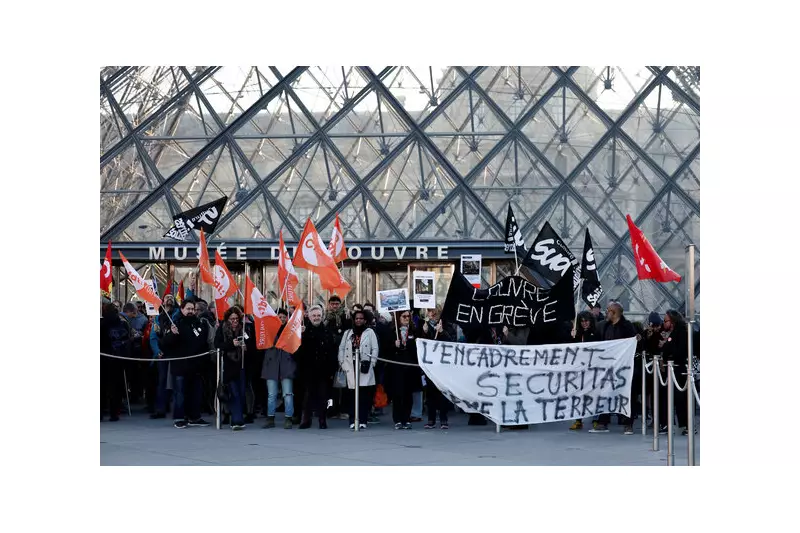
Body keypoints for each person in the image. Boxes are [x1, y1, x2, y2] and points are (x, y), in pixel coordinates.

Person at [161, 299, 214, 429]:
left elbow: (204, 342)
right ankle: (179, 418)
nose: (191, 311)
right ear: (182, 310)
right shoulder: (175, 324)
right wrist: (172, 335)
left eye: (193, 309)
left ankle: (194, 417)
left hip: (196, 367)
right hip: (180, 367)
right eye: (188, 309)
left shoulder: (200, 324)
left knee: (195, 394)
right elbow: (164, 344)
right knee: (180, 394)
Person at [589, 302, 638, 435]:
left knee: (627, 394)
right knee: (605, 393)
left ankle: (628, 423)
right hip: (608, 367)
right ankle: (603, 421)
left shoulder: (627, 327)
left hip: (623, 369)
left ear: (615, 312)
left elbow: (633, 344)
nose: (606, 312)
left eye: (608, 310)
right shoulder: (605, 326)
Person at [297, 305, 337, 429]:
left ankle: (322, 419)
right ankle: (306, 420)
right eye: (314, 315)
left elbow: (332, 352)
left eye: (318, 316)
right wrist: (301, 335)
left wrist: (332, 369)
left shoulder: (327, 331)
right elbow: (297, 352)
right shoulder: (303, 331)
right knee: (308, 396)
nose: (316, 318)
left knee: (323, 396)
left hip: (323, 371)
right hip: (308, 370)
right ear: (309, 316)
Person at [337, 309, 378, 430]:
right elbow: (342, 348)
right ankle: (352, 419)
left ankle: (363, 420)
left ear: (365, 320)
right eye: (356, 318)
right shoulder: (348, 333)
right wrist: (342, 363)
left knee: (364, 396)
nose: (358, 320)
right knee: (352, 396)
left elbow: (375, 348)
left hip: (364, 366)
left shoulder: (370, 332)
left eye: (361, 318)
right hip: (351, 366)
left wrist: (373, 363)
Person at [215, 307, 251, 430]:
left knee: (241, 393)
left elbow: (251, 343)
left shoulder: (244, 328)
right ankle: (237, 421)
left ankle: (236, 417)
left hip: (241, 366)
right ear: (228, 319)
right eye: (232, 319)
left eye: (236, 318)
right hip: (228, 366)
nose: (234, 321)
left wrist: (246, 347)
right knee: (233, 393)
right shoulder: (222, 329)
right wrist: (232, 344)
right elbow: (217, 344)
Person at [419, 306, 453, 429]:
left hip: (442, 365)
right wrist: (425, 332)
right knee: (430, 394)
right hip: (430, 365)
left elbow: (451, 341)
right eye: (429, 312)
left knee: (442, 393)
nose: (431, 315)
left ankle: (443, 419)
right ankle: (431, 419)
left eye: (434, 312)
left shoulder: (445, 324)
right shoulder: (425, 325)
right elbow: (421, 343)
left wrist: (442, 331)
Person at [262, 308, 297, 429]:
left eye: (284, 317)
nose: (282, 319)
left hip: (286, 365)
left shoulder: (291, 331)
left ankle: (288, 418)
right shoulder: (269, 331)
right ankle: (270, 417)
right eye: (279, 317)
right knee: (271, 394)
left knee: (288, 393)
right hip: (272, 365)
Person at [385, 311, 420, 430]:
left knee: (408, 394)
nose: (406, 319)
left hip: (409, 367)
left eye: (408, 316)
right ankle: (398, 419)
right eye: (404, 316)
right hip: (396, 368)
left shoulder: (414, 331)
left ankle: (406, 418)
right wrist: (393, 345)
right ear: (398, 318)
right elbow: (385, 349)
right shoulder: (392, 331)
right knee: (397, 394)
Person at [660, 310, 692, 435]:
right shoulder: (673, 333)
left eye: (666, 320)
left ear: (672, 321)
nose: (664, 323)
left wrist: (667, 345)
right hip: (671, 368)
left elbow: (679, 350)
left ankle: (685, 424)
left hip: (678, 368)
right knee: (668, 397)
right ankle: (669, 423)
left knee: (681, 398)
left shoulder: (681, 332)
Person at [148, 295, 178, 419]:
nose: (169, 299)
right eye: (167, 298)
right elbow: (153, 337)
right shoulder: (158, 319)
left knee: (177, 382)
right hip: (163, 355)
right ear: (163, 302)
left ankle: (178, 411)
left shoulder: (177, 315)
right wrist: (157, 351)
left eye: (171, 297)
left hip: (176, 354)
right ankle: (161, 409)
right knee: (162, 381)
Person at [101, 303, 132, 422]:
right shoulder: (122, 323)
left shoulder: (101, 324)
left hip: (103, 360)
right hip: (118, 359)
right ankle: (114, 413)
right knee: (115, 387)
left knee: (102, 387)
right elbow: (127, 340)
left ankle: (100, 412)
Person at [569, 310, 600, 431]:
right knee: (579, 394)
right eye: (581, 321)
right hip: (579, 368)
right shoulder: (577, 334)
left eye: (586, 321)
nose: (584, 323)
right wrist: (573, 337)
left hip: (592, 368)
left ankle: (595, 419)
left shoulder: (595, 333)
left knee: (594, 394)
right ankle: (578, 420)